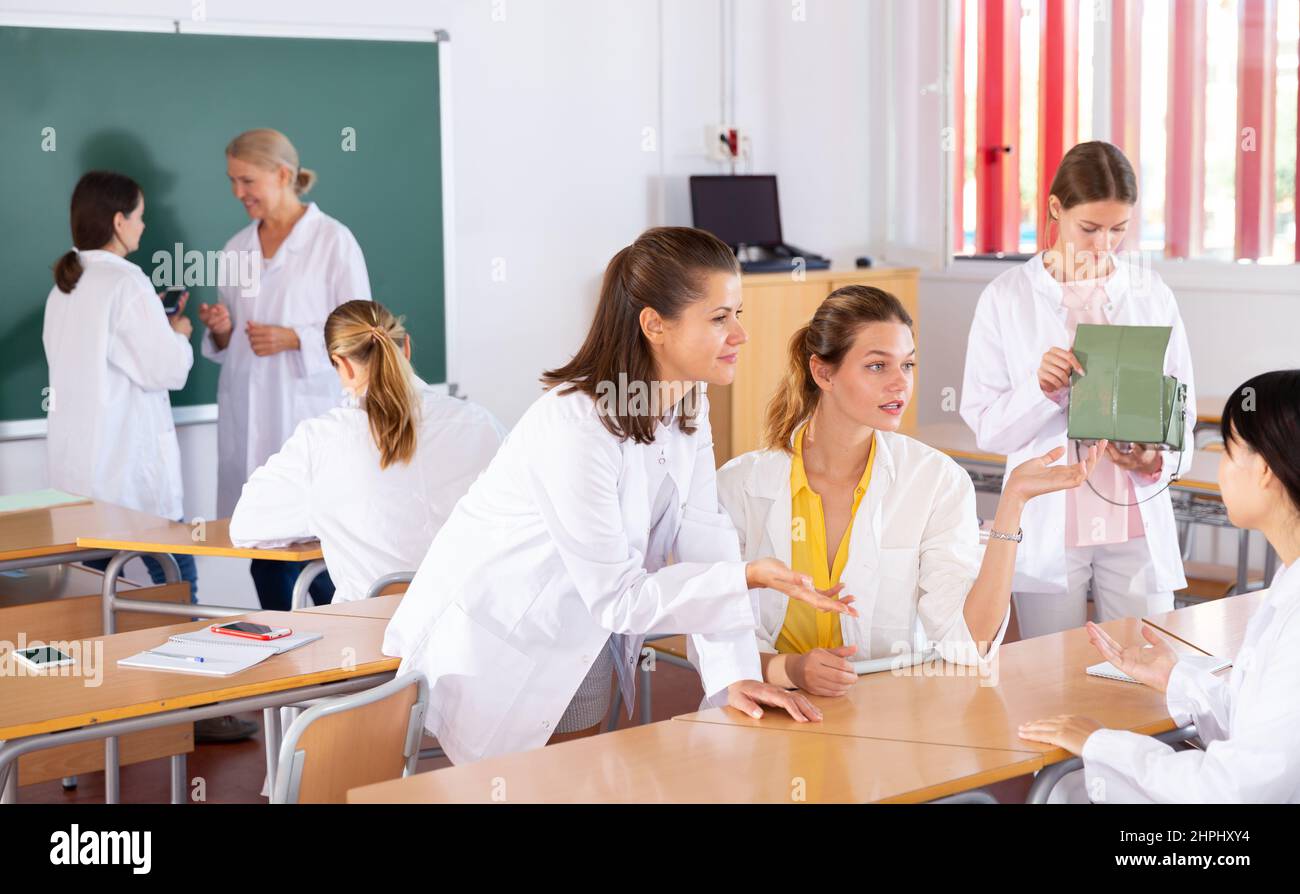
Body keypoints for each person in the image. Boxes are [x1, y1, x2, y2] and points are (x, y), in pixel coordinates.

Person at [384, 227, 854, 765]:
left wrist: (735, 676)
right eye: (720, 317)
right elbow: (619, 597)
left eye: (738, 314)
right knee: (523, 786)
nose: (740, 335)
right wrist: (746, 576)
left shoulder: (686, 404)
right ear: (654, 324)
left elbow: (705, 535)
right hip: (508, 642)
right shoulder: (574, 424)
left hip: (583, 637)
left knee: (571, 780)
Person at [718, 286, 1102, 695]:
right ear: (823, 372)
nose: (900, 384)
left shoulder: (936, 480)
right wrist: (791, 670)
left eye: (908, 365)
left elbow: (969, 644)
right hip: (769, 703)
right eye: (877, 366)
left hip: (883, 707)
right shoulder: (739, 485)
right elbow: (712, 638)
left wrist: (1013, 503)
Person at [1020, 371, 1300, 803]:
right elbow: (1265, 729)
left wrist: (1101, 742)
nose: (1220, 469)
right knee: (1070, 788)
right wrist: (1177, 677)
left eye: (1227, 451)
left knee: (1063, 790)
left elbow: (1233, 789)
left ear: (1264, 470)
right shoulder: (1287, 581)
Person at [960, 141, 1195, 637]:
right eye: (1089, 228)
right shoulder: (1006, 298)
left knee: (1146, 670)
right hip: (1051, 518)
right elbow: (987, 428)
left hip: (1132, 513)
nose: (1102, 245)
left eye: (1118, 230)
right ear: (1054, 208)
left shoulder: (1151, 295)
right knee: (1052, 676)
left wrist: (1158, 461)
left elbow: (1183, 409)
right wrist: (1038, 390)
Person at [229, 300, 505, 605]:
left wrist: (324, 518)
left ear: (343, 364)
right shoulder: (480, 424)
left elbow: (245, 524)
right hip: (469, 628)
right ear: (407, 347)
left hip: (370, 641)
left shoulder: (321, 440)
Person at [197, 128, 371, 610]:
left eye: (246, 180)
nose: (238, 193)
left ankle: (355, 653)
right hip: (249, 419)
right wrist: (221, 329)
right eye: (232, 181)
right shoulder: (236, 248)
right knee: (263, 546)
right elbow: (229, 342)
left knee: (315, 556)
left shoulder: (333, 242)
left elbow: (364, 334)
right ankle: (286, 661)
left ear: (282, 175)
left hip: (307, 416)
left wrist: (296, 337)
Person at [44, 170, 198, 600]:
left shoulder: (64, 289)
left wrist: (160, 330)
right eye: (139, 216)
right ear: (118, 222)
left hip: (77, 475)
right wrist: (180, 334)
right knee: (176, 578)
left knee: (93, 592)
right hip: (127, 471)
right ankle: (185, 657)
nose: (143, 226)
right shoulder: (128, 282)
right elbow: (167, 370)